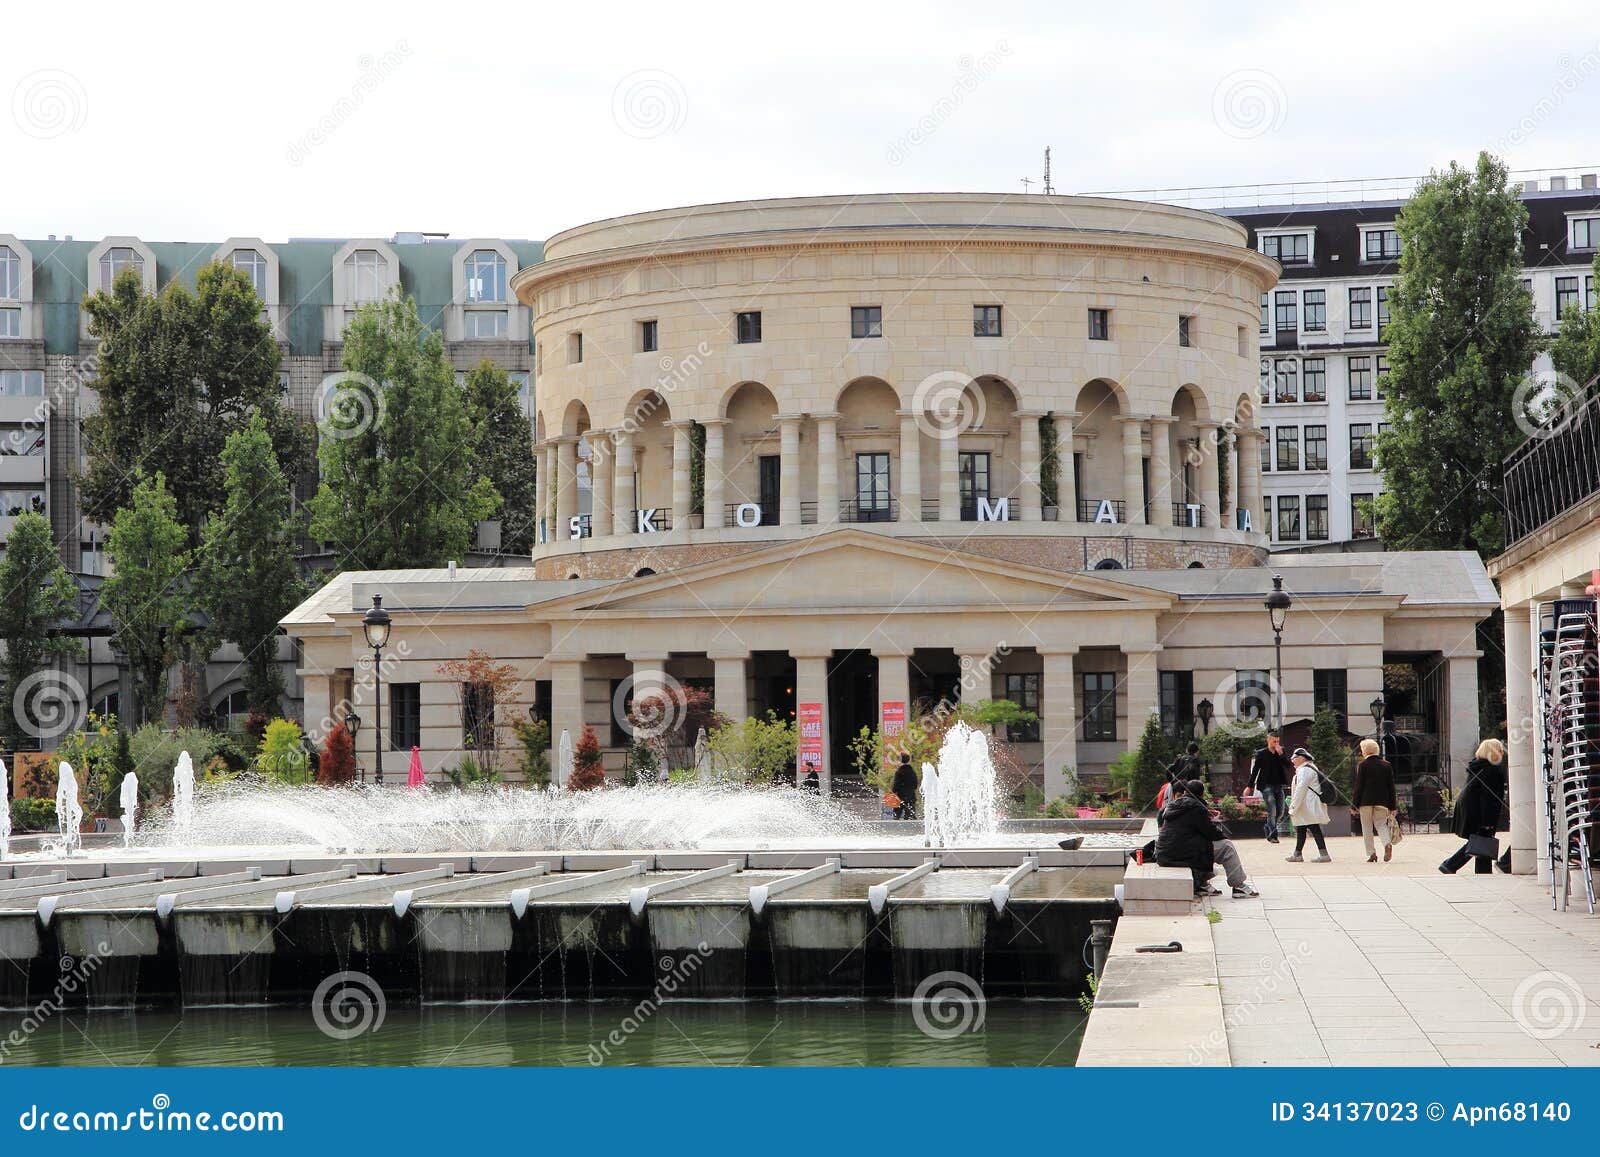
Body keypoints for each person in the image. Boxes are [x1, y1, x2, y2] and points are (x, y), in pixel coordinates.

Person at [1155, 779, 1259, 899]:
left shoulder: (1173, 806)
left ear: (1185, 792)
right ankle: (1238, 886)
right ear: (1201, 794)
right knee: (1227, 847)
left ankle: (1201, 885)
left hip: (1164, 855)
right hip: (1180, 854)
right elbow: (1211, 833)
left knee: (1203, 847)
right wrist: (1222, 833)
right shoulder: (1196, 808)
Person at [1441, 738, 1509, 874]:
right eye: (1500, 750)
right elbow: (1488, 798)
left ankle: (1482, 870)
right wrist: (1487, 822)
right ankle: (1450, 864)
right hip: (1479, 811)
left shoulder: (1478, 767)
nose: (1502, 753)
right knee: (1481, 839)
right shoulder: (1491, 771)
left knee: (1481, 840)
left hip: (1470, 809)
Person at [1352, 737, 1398, 863]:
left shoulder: (1363, 765)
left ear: (1365, 751)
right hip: (1382, 801)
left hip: (1365, 802)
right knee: (1381, 824)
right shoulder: (1386, 765)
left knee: (1366, 827)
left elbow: (1359, 786)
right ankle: (1387, 843)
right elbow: (1391, 787)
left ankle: (1371, 854)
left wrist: (1354, 805)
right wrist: (1393, 806)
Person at [1285, 746, 1331, 863]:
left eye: (1294, 758)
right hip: (1306, 805)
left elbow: (1301, 789)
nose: (1292, 760)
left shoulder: (1304, 770)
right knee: (1301, 828)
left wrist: (1293, 806)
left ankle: (1324, 855)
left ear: (1302, 758)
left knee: (1313, 828)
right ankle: (1297, 854)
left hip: (1308, 805)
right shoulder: (1307, 768)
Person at [1249, 730, 1292, 843]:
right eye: (1274, 741)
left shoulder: (1281, 751)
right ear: (1268, 740)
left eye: (1278, 741)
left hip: (1279, 785)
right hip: (1266, 786)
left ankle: (1268, 827)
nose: (1276, 744)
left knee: (1280, 812)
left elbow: (1288, 765)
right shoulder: (1261, 753)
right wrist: (1249, 786)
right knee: (1272, 810)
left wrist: (1281, 754)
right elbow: (1255, 770)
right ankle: (1273, 835)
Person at [890, 753, 919, 820]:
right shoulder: (912, 772)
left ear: (901, 760)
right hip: (911, 796)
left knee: (896, 815)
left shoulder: (899, 772)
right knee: (910, 816)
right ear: (909, 760)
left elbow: (896, 784)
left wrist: (893, 792)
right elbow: (915, 785)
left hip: (900, 796)